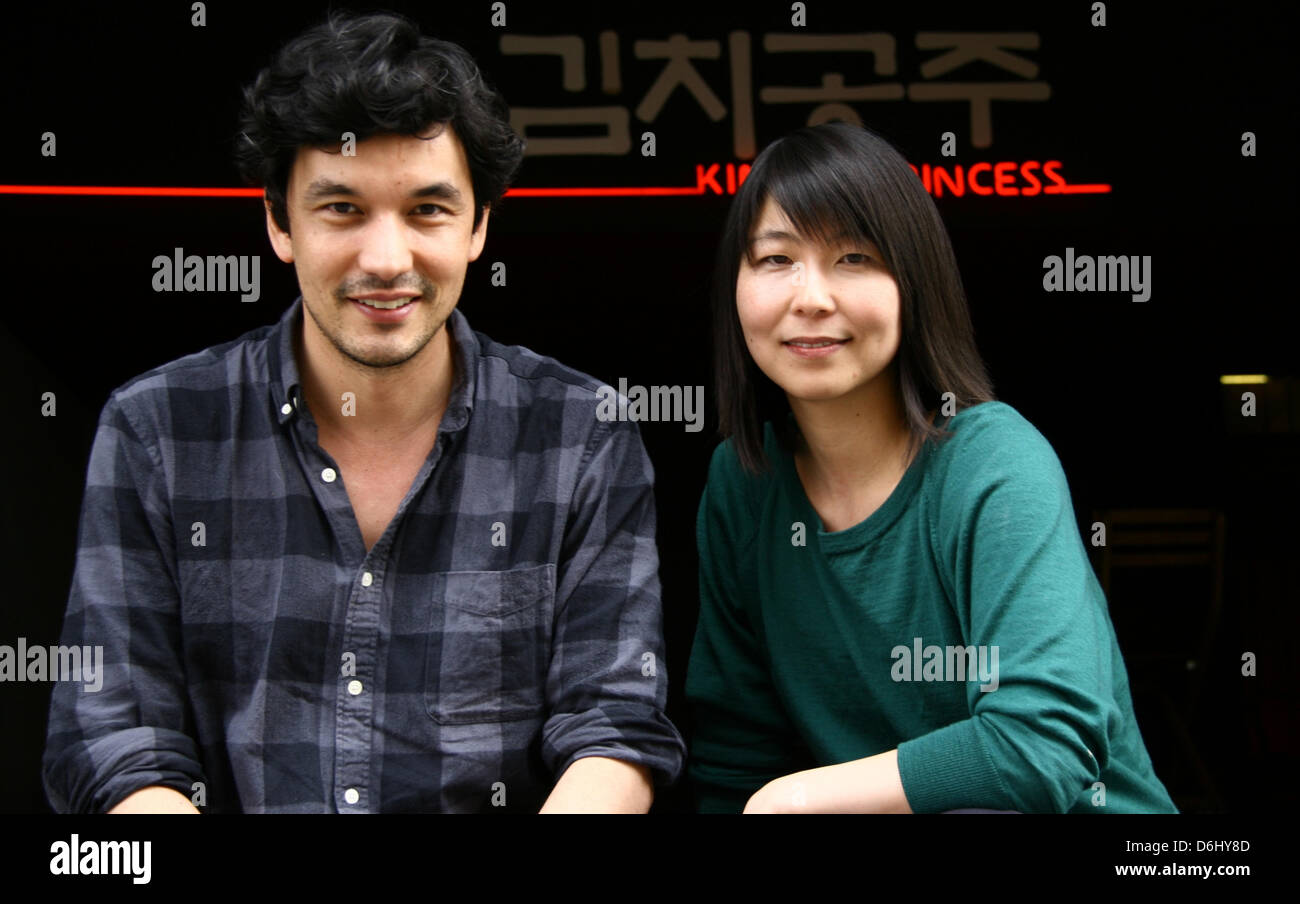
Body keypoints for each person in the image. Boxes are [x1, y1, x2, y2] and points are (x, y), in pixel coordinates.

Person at [43, 10, 683, 814]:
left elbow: (614, 728)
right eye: (342, 209)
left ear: (480, 225)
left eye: (428, 210)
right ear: (280, 223)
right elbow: (112, 738)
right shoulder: (157, 430)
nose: (387, 260)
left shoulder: (582, 432)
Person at [685, 122, 1176, 813]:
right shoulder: (744, 483)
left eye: (853, 257)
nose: (811, 297)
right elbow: (735, 757)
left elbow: (1041, 747)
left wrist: (791, 801)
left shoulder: (992, 464)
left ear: (914, 282)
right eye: (775, 259)